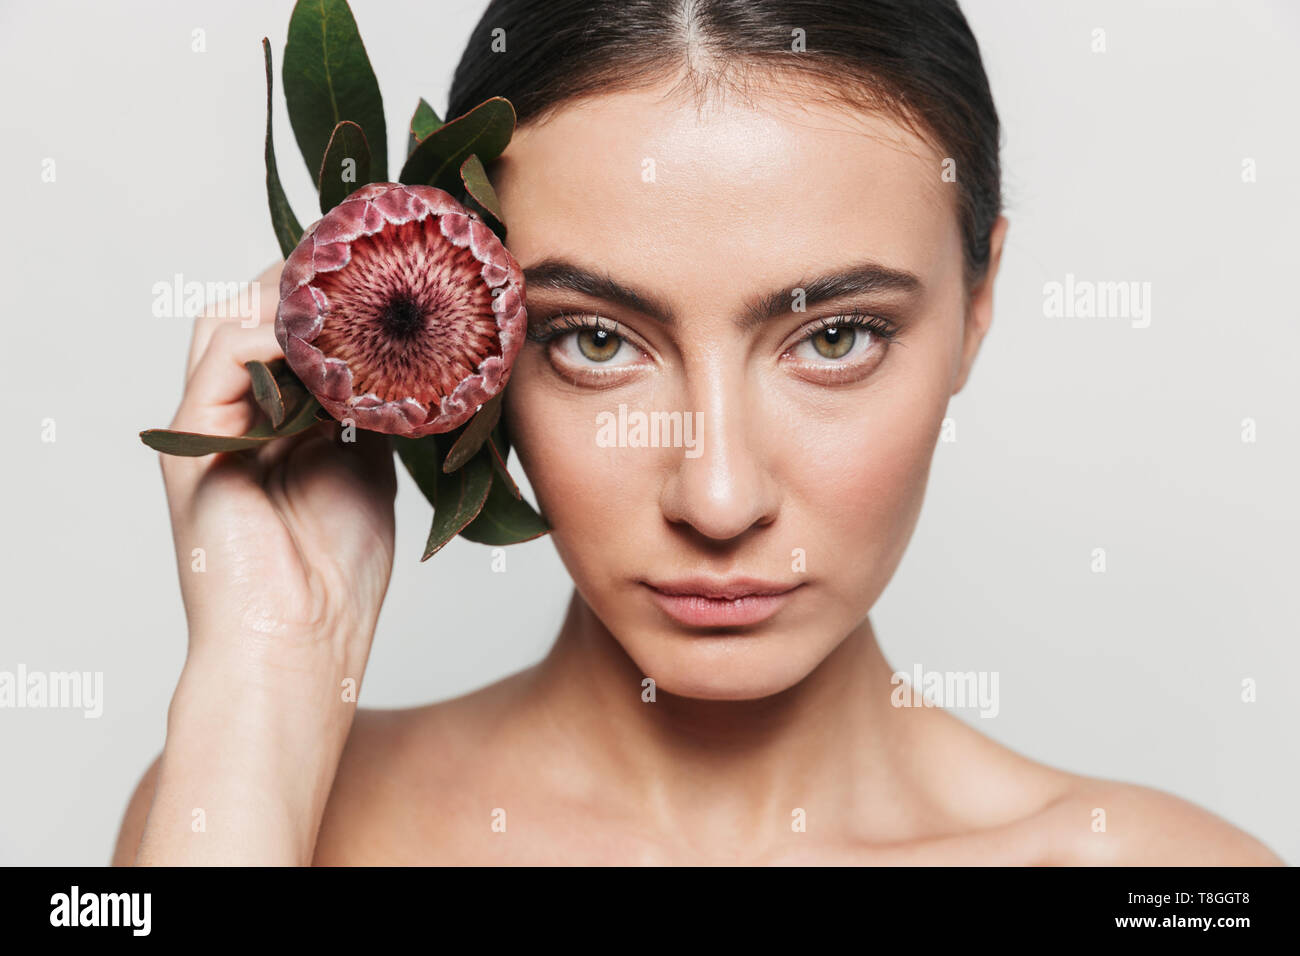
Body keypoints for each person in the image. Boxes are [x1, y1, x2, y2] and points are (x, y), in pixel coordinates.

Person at [113, 0, 1283, 865]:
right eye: (596, 339)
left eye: (836, 337)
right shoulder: (254, 805)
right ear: (469, 346)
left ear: (977, 305)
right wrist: (272, 663)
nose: (718, 498)